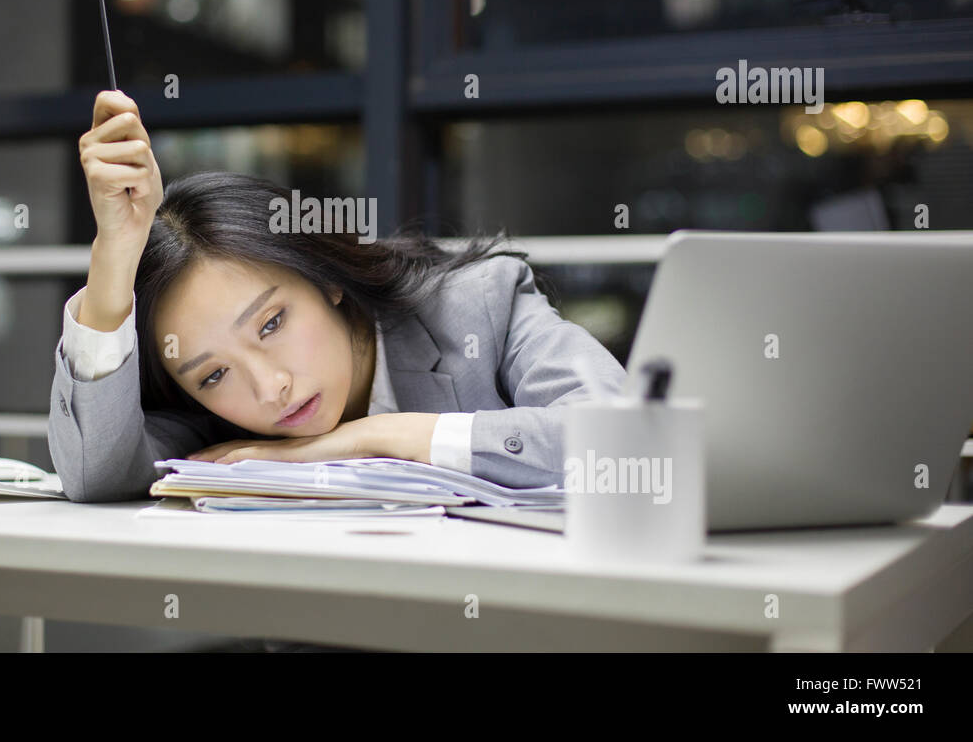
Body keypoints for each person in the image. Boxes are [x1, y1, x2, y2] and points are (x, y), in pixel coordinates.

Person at [47, 90, 628, 505]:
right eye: (213, 375)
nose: (269, 386)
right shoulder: (216, 425)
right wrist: (112, 264)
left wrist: (371, 440)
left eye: (271, 324)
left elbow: (622, 440)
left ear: (325, 276)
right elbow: (96, 475)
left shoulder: (480, 305)